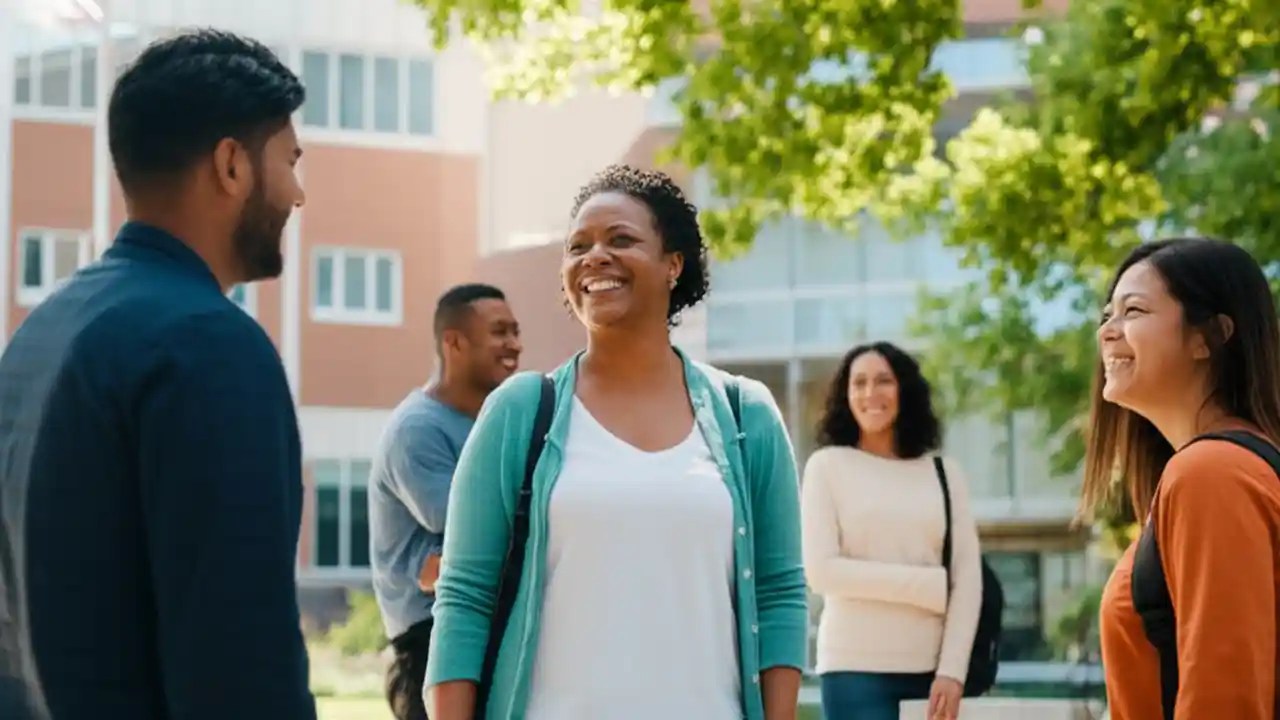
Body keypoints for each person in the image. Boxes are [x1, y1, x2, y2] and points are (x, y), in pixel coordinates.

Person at [0, 30, 313, 720]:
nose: (297, 192)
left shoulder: (40, 332)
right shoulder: (210, 347)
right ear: (232, 164)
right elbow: (239, 666)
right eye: (290, 160)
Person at [423, 165, 808, 720]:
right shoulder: (520, 412)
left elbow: (778, 595)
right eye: (578, 245)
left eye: (620, 239)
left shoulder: (745, 416)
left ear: (673, 264)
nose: (594, 257)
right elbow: (464, 598)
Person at [1086, 238, 1280, 720]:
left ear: (1209, 336)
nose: (1108, 332)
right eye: (1107, 315)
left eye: (1133, 310)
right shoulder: (1221, 469)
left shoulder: (1211, 474)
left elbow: (1226, 698)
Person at [800, 341, 982, 720]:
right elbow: (821, 571)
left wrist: (952, 671)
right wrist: (928, 586)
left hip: (932, 674)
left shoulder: (944, 474)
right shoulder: (827, 467)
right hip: (853, 671)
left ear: (904, 390)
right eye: (859, 383)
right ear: (845, 395)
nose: (871, 393)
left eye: (883, 380)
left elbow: (967, 580)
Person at [369, 283, 522, 720]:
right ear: (453, 342)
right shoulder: (418, 429)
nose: (514, 344)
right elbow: (471, 529)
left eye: (515, 331)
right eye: (499, 332)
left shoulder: (494, 421)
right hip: (430, 641)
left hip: (486, 629)